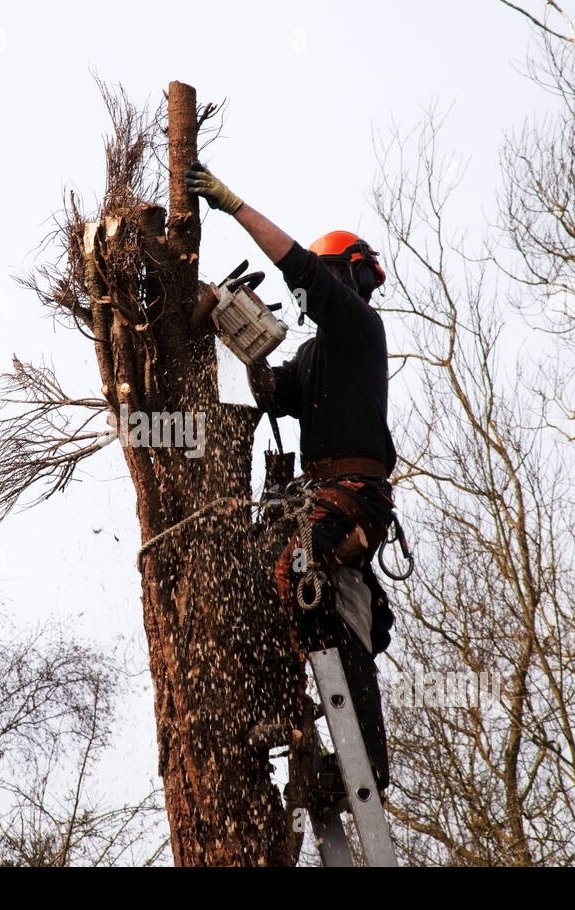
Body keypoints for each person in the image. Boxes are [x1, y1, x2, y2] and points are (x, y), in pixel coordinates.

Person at [186, 161, 398, 790]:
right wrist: (238, 338)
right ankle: (334, 741)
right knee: (307, 604)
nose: (320, 288)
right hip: (319, 498)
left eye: (332, 276)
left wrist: (234, 204)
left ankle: (321, 728)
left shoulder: (362, 328)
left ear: (353, 279)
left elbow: (300, 268)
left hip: (355, 497)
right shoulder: (311, 355)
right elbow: (273, 393)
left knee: (293, 566)